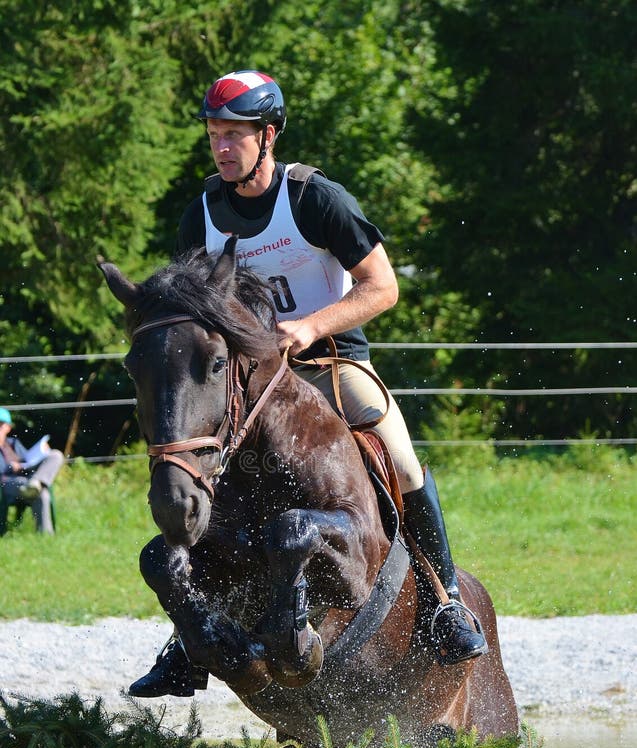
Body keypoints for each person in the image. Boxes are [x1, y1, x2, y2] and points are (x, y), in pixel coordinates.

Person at [129, 69, 487, 698]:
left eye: (235, 135)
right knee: (202, 473)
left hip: (332, 364)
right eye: (215, 134)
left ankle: (443, 602)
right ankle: (186, 640)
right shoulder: (202, 216)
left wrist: (310, 326)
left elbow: (384, 287)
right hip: (247, 383)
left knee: (400, 460)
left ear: (269, 136)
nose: (221, 147)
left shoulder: (316, 201)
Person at [0, 407, 64, 534]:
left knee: (55, 455)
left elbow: (28, 460)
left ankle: (36, 482)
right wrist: (11, 467)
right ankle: (46, 534)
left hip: (26, 478)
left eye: (1, 424)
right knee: (42, 493)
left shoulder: (13, 443)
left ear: (8, 428)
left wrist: (42, 453)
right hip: (6, 483)